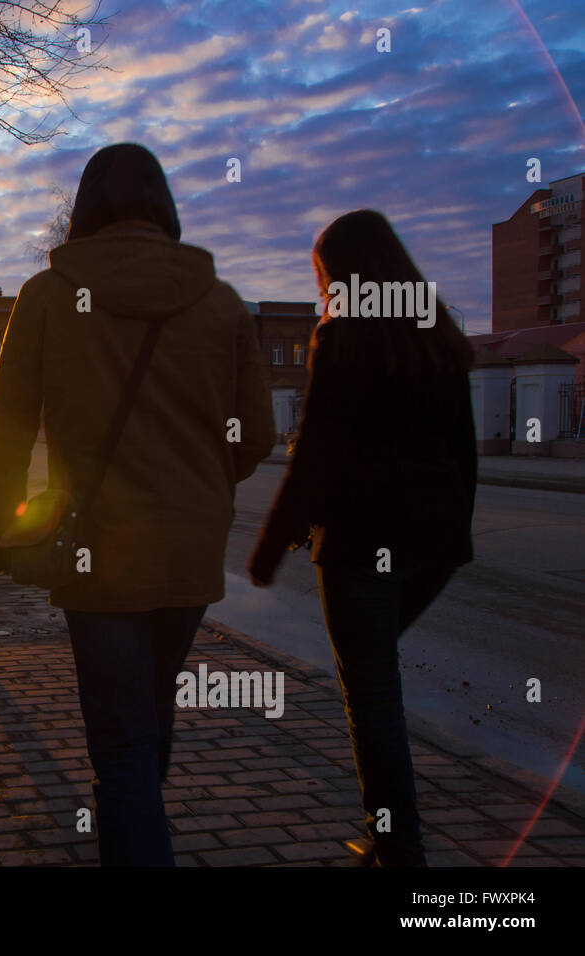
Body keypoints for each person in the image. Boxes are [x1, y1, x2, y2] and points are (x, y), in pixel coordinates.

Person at [0, 143, 275, 866]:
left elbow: (6, 427)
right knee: (147, 710)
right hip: (190, 550)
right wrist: (199, 487)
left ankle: (137, 829)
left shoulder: (48, 296)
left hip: (96, 548)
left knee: (120, 747)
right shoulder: (222, 301)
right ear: (164, 206)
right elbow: (256, 433)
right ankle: (141, 815)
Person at [249, 209, 476, 867]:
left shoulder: (343, 339)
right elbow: (464, 454)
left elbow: (317, 452)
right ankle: (393, 841)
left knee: (372, 698)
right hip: (431, 548)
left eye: (323, 276)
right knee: (378, 685)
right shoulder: (438, 336)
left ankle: (397, 847)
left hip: (360, 545)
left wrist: (268, 547)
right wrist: (455, 531)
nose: (322, 290)